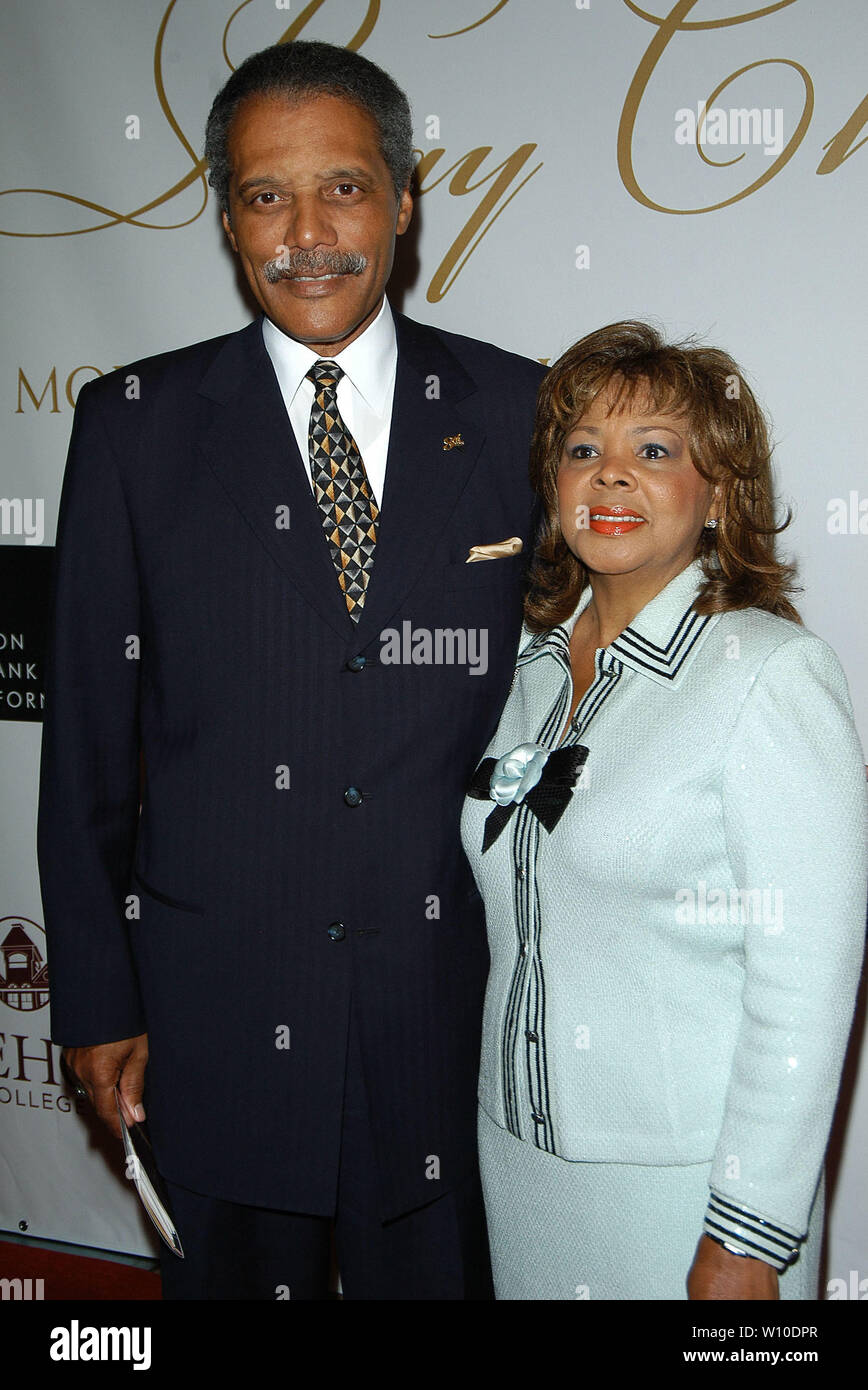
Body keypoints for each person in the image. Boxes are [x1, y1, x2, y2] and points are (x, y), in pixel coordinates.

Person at [37, 39, 545, 1300]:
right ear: (225, 216)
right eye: (267, 195)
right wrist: (93, 996)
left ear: (405, 201)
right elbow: (87, 745)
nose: (306, 232)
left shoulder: (526, 415)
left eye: (344, 188)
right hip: (214, 1019)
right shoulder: (134, 428)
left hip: (447, 1016)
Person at [461, 321, 867, 1300]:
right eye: (581, 450)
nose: (608, 478)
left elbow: (806, 989)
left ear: (719, 492)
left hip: (687, 1194)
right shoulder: (527, 676)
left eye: (652, 451)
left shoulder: (769, 676)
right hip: (520, 1161)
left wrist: (748, 1234)